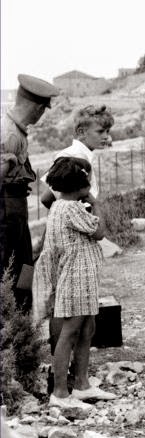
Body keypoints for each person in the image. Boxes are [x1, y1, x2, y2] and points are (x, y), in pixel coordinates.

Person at [32, 156, 116, 411]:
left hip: (83, 279)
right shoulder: (71, 209)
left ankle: (81, 384)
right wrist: (95, 203)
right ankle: (60, 392)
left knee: (86, 329)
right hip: (76, 279)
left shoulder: (59, 206)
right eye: (86, 180)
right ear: (79, 184)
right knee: (70, 332)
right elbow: (99, 231)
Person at [1, 74, 59, 312]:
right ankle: (13, 327)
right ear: (37, 108)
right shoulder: (9, 134)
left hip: (16, 207)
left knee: (25, 266)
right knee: (8, 269)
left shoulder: (16, 130)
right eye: (43, 108)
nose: (42, 113)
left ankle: (23, 320)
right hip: (6, 210)